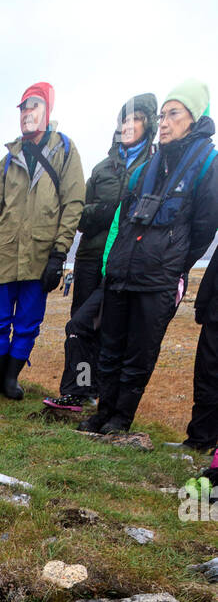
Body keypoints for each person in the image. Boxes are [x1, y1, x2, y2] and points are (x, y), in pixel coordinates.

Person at [81, 80, 218, 434]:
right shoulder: (148, 165)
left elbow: (204, 227)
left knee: (138, 355)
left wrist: (173, 264)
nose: (166, 122)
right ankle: (102, 415)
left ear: (194, 117)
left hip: (159, 280)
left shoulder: (208, 164)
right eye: (163, 115)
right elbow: (125, 216)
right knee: (110, 347)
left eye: (174, 114)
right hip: (123, 272)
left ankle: (120, 420)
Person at [45, 94, 158, 412]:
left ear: (148, 124)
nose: (128, 125)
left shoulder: (154, 166)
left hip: (125, 261)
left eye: (135, 119)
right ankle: (79, 389)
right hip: (90, 257)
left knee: (110, 328)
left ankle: (103, 394)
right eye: (124, 119)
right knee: (79, 326)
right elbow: (79, 214)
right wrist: (109, 211)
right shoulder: (102, 168)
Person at [0, 83, 84, 399]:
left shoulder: (65, 151)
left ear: (47, 111)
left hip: (40, 257)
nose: (27, 114)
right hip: (4, 257)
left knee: (27, 323)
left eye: (33, 106)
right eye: (23, 108)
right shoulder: (7, 161)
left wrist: (59, 254)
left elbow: (73, 202)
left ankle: (11, 379)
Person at [184, 243, 218, 459]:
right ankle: (199, 439)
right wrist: (202, 305)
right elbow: (214, 268)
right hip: (216, 317)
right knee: (207, 375)